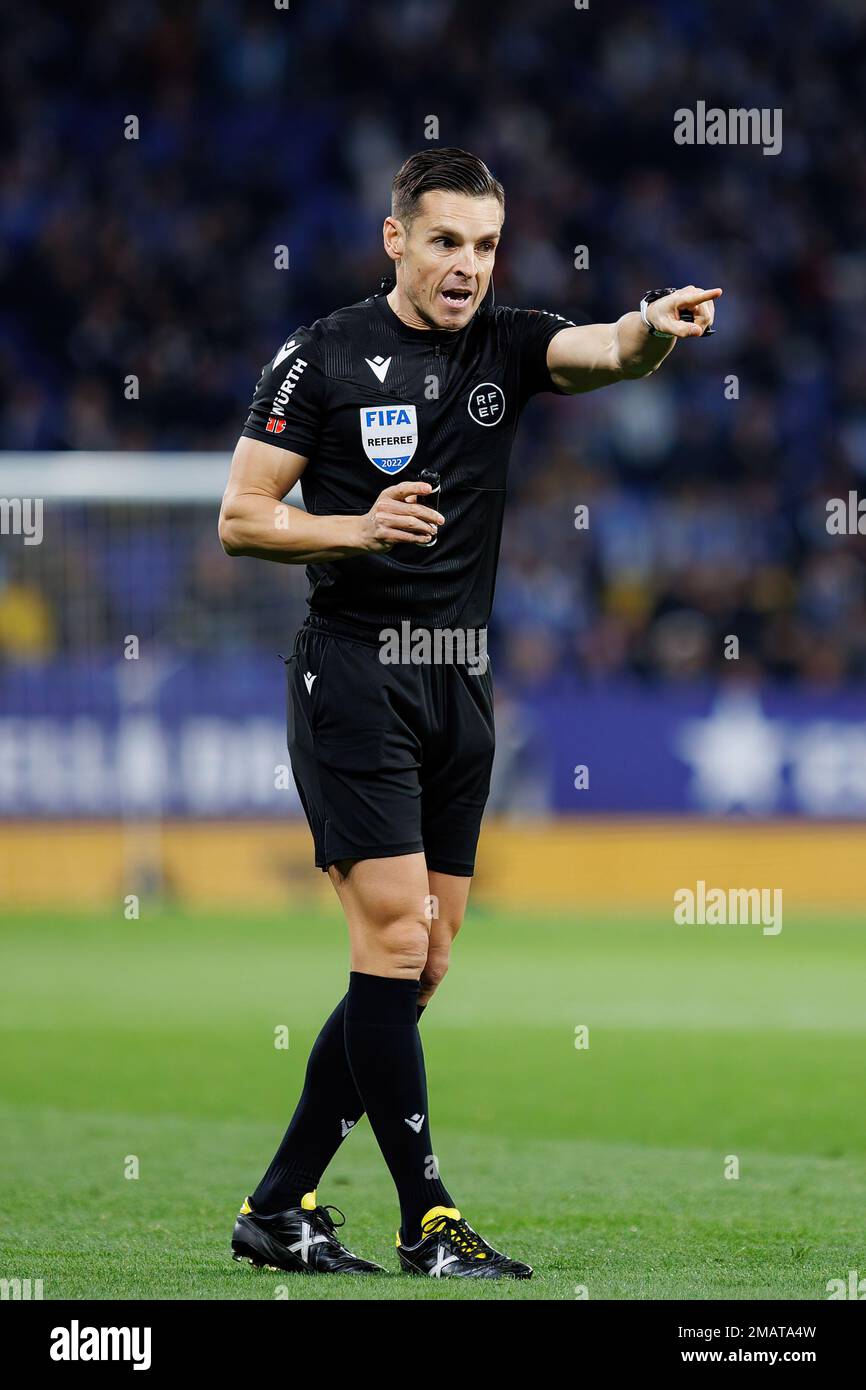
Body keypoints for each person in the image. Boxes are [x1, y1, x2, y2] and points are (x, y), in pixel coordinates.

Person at [218, 146, 720, 1279]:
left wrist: (650, 325)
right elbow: (241, 517)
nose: (467, 267)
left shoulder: (502, 343)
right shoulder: (323, 355)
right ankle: (427, 1222)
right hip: (355, 672)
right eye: (445, 241)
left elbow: (598, 354)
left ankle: (278, 1203)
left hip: (458, 682)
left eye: (485, 245)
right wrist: (354, 527)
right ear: (395, 238)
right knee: (392, 940)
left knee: (422, 963)